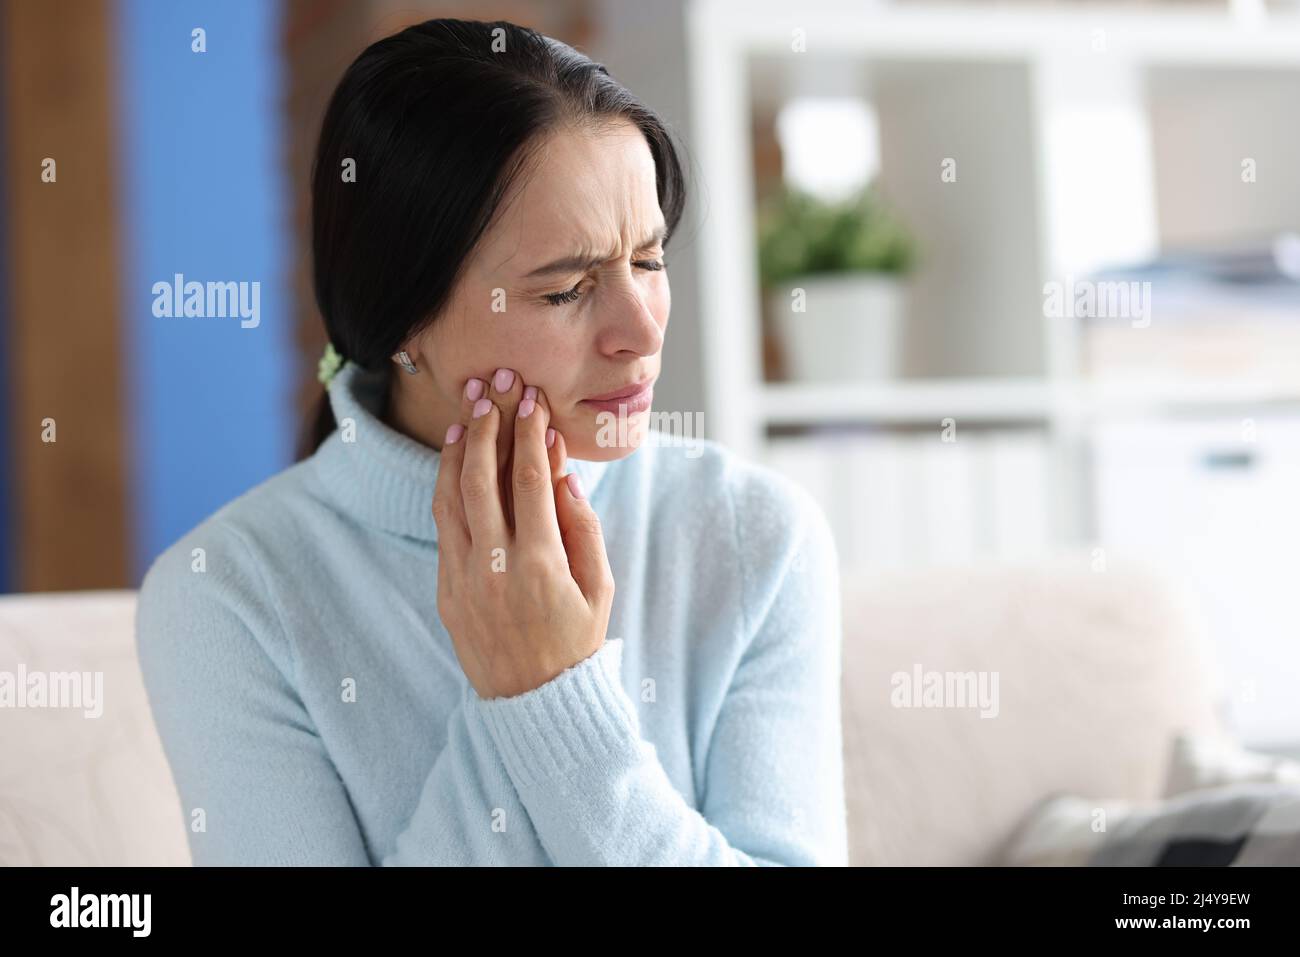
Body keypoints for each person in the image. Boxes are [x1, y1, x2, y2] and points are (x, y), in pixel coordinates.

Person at [136, 17, 846, 866]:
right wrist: (527, 687)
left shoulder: (756, 534)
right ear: (404, 325)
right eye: (566, 290)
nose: (640, 330)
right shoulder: (226, 598)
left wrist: (549, 693)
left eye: (649, 262)